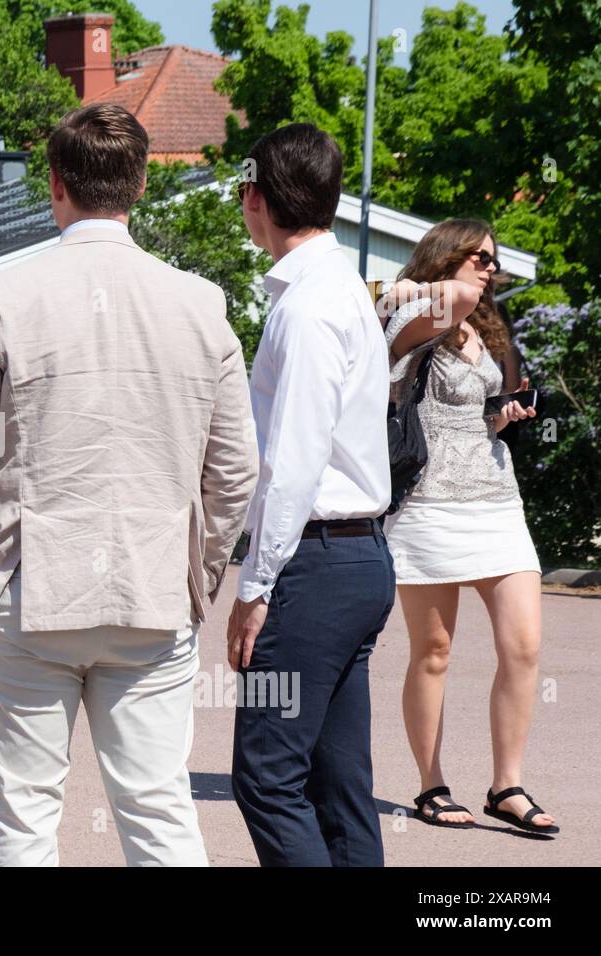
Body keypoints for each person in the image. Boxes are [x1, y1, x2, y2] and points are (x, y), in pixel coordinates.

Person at [0, 102, 259, 867]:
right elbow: (236, 468)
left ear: (55, 185)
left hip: (24, 582)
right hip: (152, 585)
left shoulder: (4, 296)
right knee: (157, 807)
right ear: (140, 184)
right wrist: (199, 571)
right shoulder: (203, 306)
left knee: (23, 812)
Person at [228, 122, 395, 867]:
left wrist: (255, 586)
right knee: (338, 786)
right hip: (355, 559)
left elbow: (290, 463)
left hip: (313, 568)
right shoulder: (344, 291)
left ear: (255, 198)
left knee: (265, 778)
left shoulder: (304, 307)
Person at [377, 219, 558, 834]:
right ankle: (431, 785)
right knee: (433, 651)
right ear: (445, 257)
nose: (489, 267)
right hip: (428, 508)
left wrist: (503, 415)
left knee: (524, 646)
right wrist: (429, 290)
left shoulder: (490, 329)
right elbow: (375, 296)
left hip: (497, 502)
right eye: (479, 257)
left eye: (492, 260)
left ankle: (506, 784)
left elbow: (481, 418)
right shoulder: (408, 321)